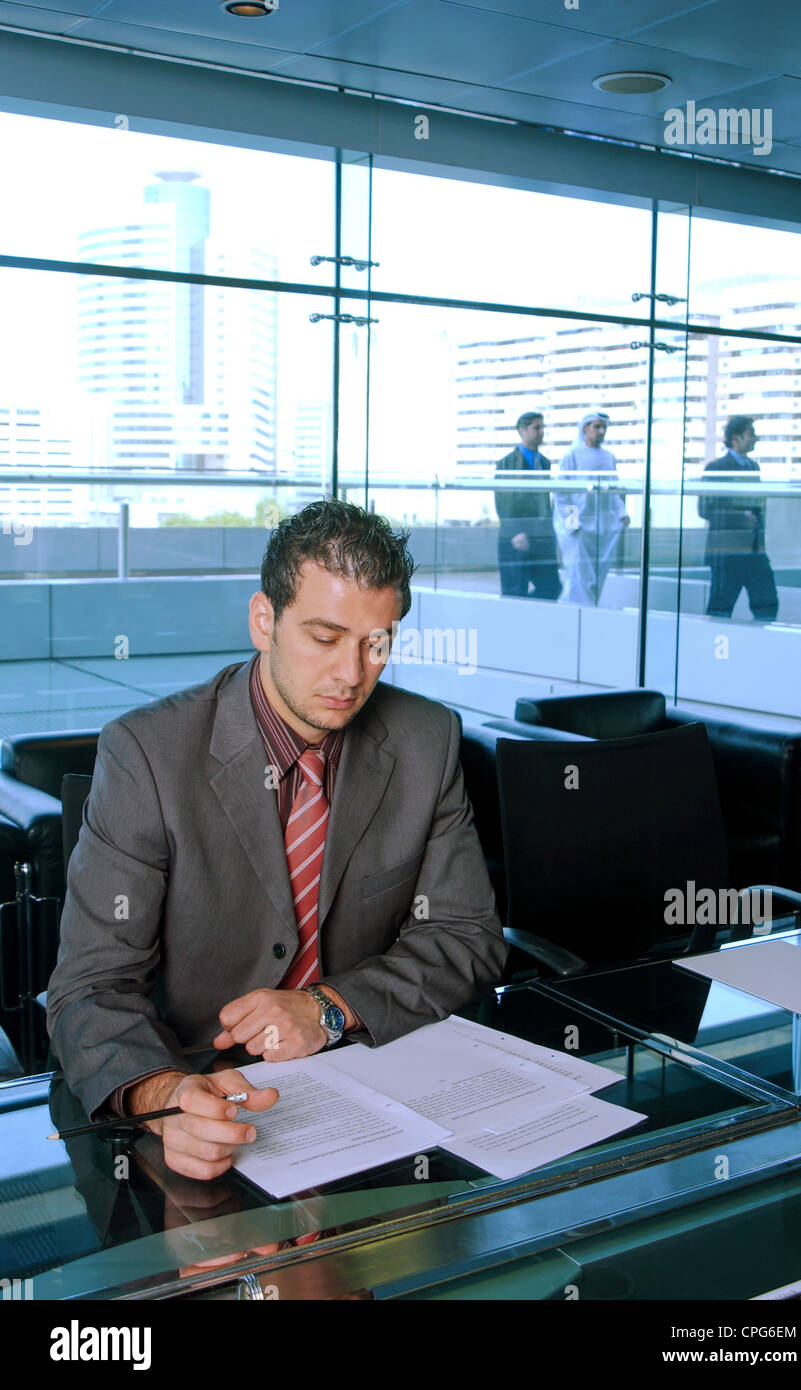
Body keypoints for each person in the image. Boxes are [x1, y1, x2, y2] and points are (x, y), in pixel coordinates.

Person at [47, 500, 506, 1182]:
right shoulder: (147, 754)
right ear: (264, 620)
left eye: (376, 641)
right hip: (201, 1090)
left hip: (374, 1088)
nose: (352, 674)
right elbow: (90, 988)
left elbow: (465, 937)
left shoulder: (426, 739)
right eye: (325, 638)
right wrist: (163, 1094)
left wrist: (327, 1007)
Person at [698, 416, 778, 622]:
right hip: (726, 554)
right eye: (751, 434)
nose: (755, 438)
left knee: (767, 603)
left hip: (753, 552)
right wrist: (739, 518)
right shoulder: (716, 468)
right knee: (720, 609)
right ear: (736, 438)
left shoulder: (753, 467)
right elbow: (705, 509)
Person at [553, 410, 630, 606]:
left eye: (604, 427)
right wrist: (572, 523)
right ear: (585, 428)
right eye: (597, 427)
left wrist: (622, 514)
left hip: (603, 529)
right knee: (578, 576)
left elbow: (614, 490)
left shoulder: (609, 457)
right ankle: (577, 617)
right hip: (578, 529)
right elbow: (561, 494)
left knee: (597, 576)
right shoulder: (571, 456)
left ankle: (589, 614)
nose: (601, 431)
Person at [494, 411, 562, 600]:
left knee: (552, 587)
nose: (541, 432)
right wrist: (515, 533)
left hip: (541, 538)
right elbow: (503, 502)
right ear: (522, 431)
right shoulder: (506, 463)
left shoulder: (544, 463)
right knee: (514, 591)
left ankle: (531, 619)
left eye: (542, 427)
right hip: (517, 537)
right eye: (536, 427)